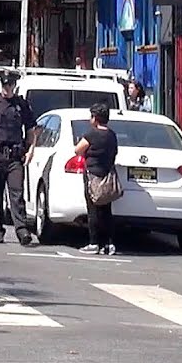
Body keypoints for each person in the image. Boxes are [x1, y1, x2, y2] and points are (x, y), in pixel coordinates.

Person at [0, 71, 39, 246]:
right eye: (4, 85)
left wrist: (30, 150)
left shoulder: (21, 105)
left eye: (10, 85)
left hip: (15, 156)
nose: (7, 88)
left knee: (16, 193)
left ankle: (22, 230)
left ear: (14, 86)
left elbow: (32, 130)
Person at [75, 103, 119, 256]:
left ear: (95, 118)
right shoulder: (112, 135)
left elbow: (78, 149)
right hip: (108, 176)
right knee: (106, 211)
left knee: (93, 210)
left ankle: (94, 243)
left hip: (93, 175)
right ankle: (108, 244)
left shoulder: (91, 134)